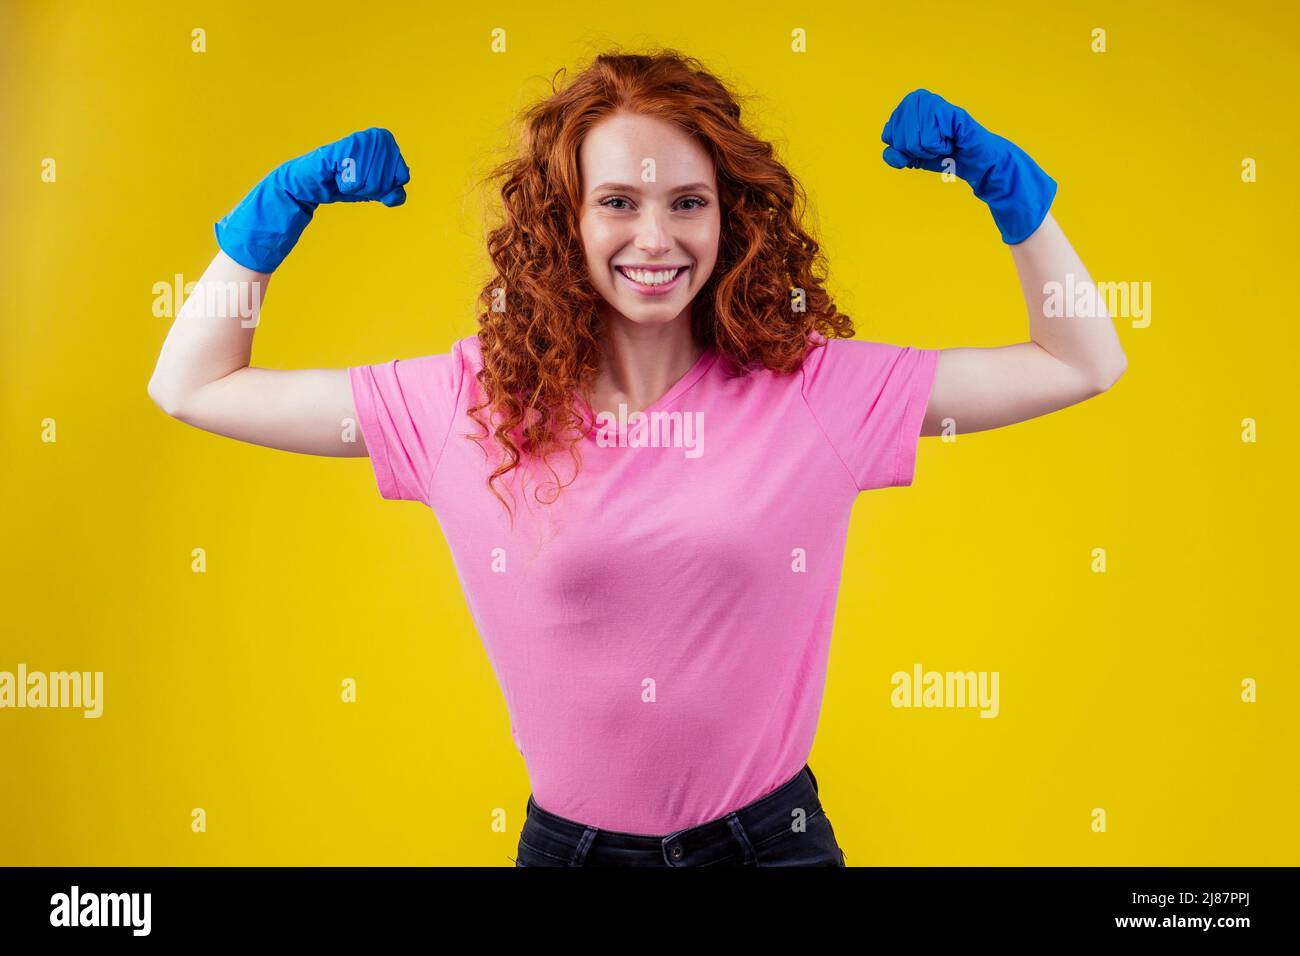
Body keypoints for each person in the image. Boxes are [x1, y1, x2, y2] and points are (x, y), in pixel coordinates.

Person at [147, 50, 1126, 867]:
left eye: (687, 203)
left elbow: (1082, 359)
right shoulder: (462, 401)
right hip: (570, 850)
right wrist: (265, 225)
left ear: (728, 217)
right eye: (616, 200)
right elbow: (192, 385)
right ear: (563, 222)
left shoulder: (816, 389)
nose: (653, 238)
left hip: (770, 843)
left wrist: (1015, 200)